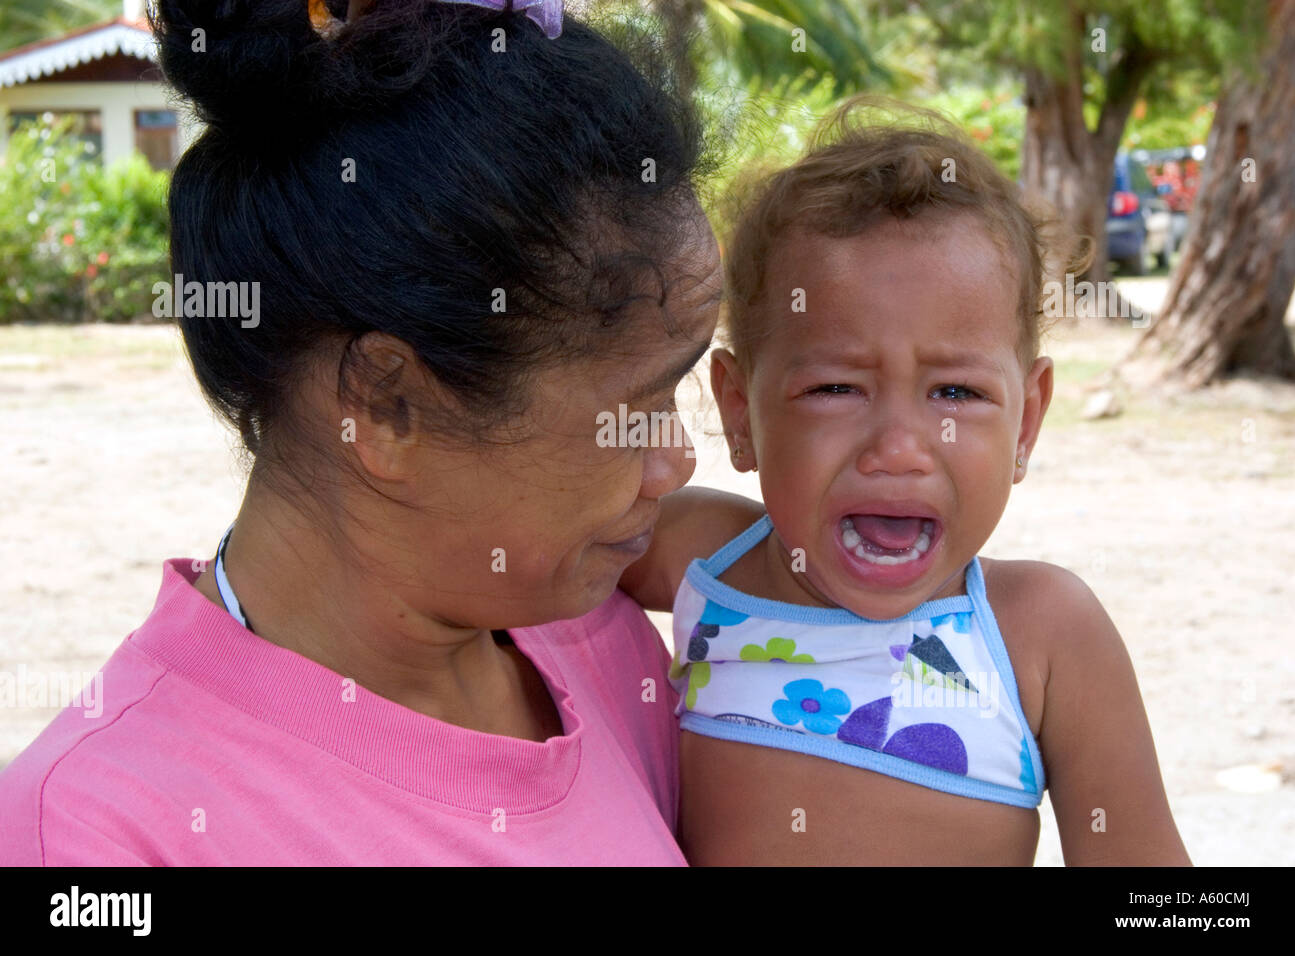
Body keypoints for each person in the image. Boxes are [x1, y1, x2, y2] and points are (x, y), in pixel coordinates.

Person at [0, 0, 722, 864]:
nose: (675, 461)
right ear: (386, 404)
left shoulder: (605, 652)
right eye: (640, 405)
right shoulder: (97, 834)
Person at [619, 99, 1192, 865]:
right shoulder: (699, 556)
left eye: (956, 393)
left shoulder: (1042, 637)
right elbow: (514, 544)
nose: (898, 449)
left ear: (1026, 424)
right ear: (740, 411)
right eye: (835, 389)